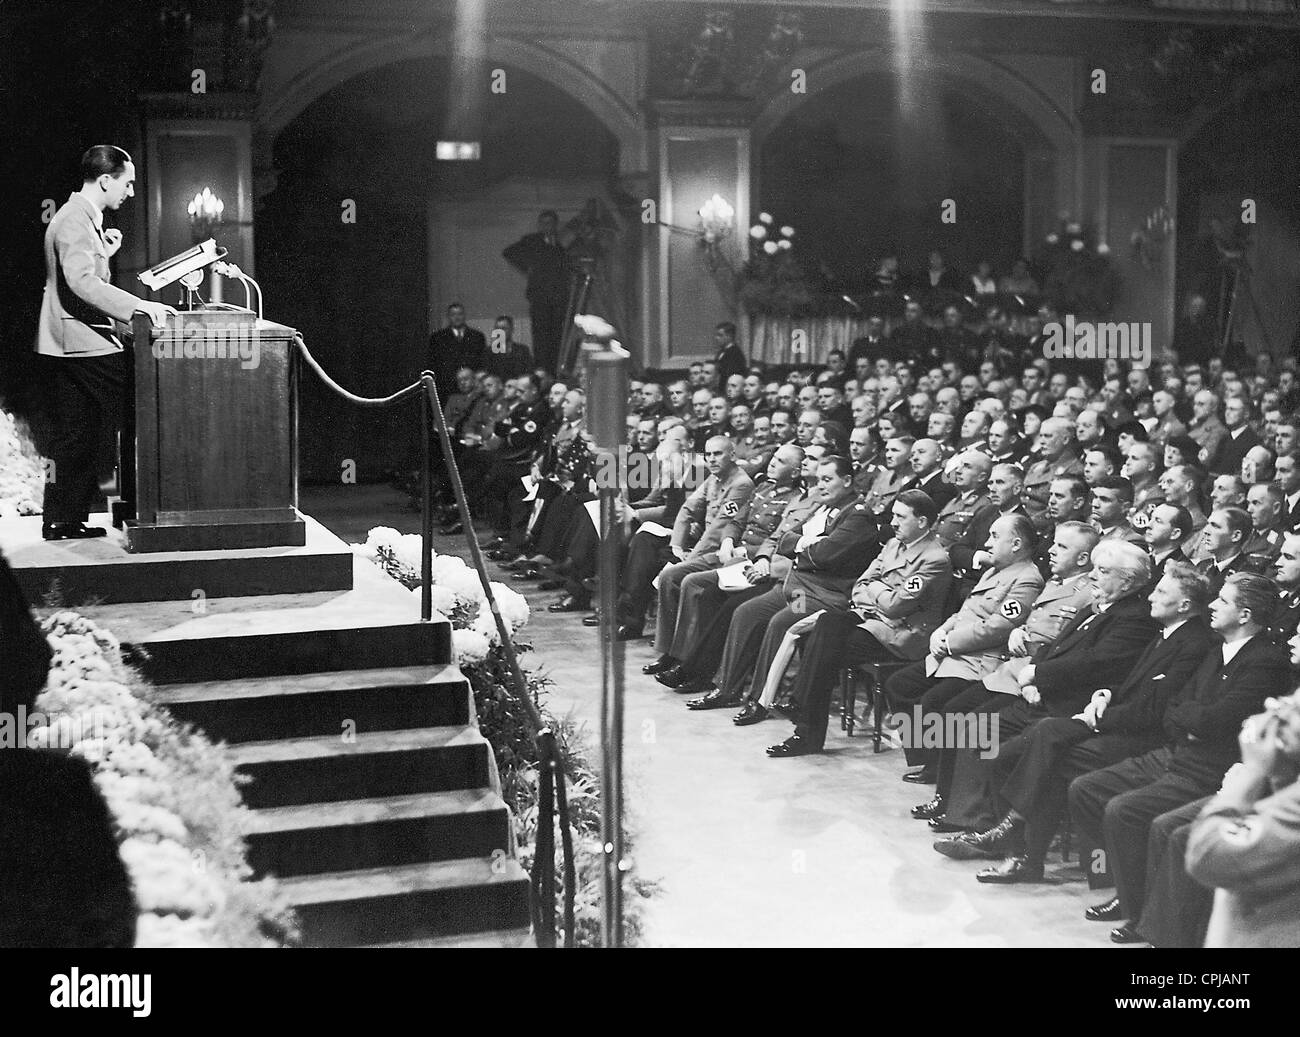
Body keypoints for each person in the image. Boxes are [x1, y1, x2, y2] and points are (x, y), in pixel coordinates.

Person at [35, 145, 175, 540]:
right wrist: (139, 308)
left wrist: (106, 257)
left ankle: (64, 520)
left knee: (79, 433)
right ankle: (154, 509)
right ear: (106, 180)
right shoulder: (76, 221)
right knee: (141, 405)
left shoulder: (80, 217)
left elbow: (85, 278)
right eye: (127, 184)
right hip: (83, 342)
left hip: (72, 340)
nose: (130, 192)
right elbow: (80, 284)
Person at [502, 210, 571, 374]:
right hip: (540, 299)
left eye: (551, 223)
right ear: (540, 225)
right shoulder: (532, 241)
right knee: (541, 341)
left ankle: (553, 375)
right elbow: (509, 252)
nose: (547, 226)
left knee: (556, 340)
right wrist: (529, 268)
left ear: (555, 225)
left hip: (558, 301)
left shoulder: (559, 245)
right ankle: (541, 374)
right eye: (544, 223)